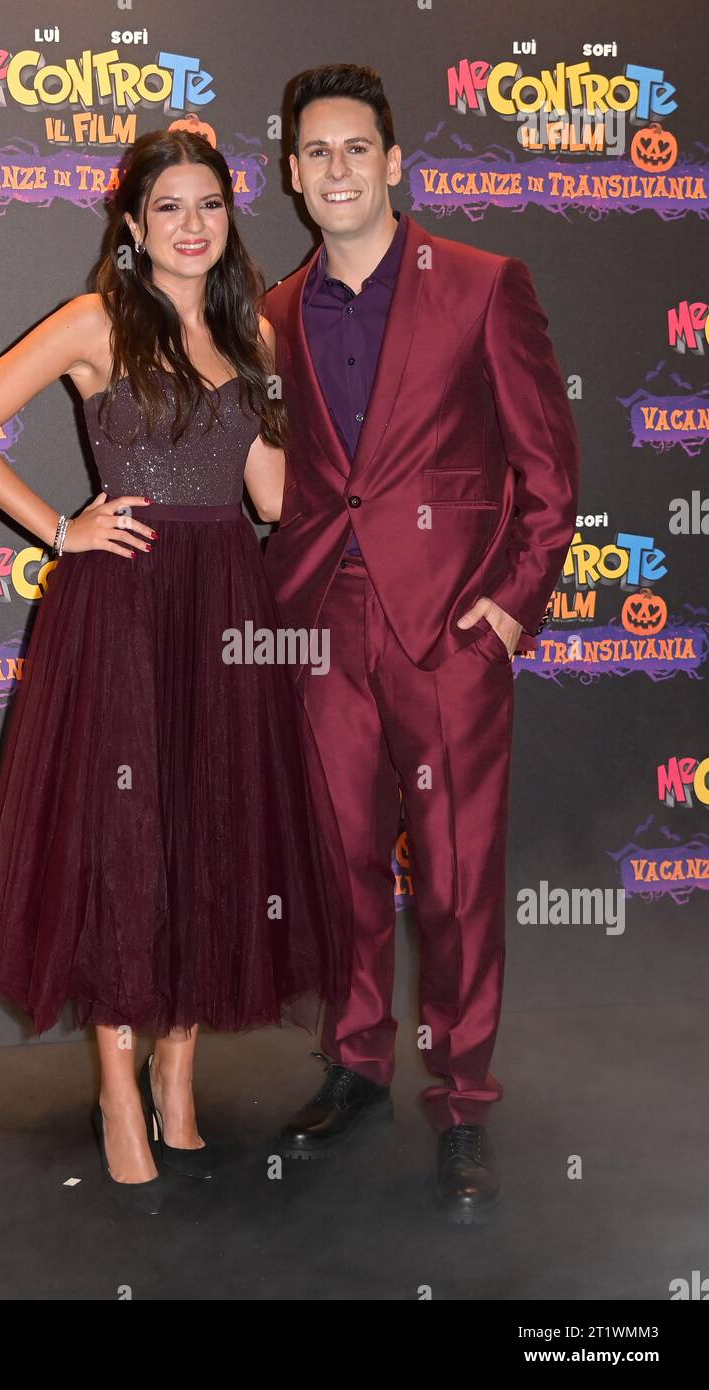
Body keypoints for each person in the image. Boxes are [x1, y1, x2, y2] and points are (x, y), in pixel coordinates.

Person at [0, 130, 351, 1212]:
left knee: (208, 829)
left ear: (229, 216)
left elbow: (266, 497)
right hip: (120, 606)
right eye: (168, 207)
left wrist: (324, 433)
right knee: (125, 844)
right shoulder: (92, 323)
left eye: (207, 204)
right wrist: (56, 529)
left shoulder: (245, 328)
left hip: (225, 604)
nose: (191, 224)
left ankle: (176, 1073)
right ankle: (118, 1088)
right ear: (131, 225)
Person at [263, 65, 580, 1222]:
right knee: (340, 866)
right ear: (291, 176)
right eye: (315, 153)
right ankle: (354, 1060)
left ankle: (462, 1097)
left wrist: (506, 607)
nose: (337, 169)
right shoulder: (280, 311)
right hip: (319, 628)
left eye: (357, 148)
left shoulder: (484, 286)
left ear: (393, 162)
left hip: (445, 628)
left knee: (450, 881)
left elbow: (549, 473)